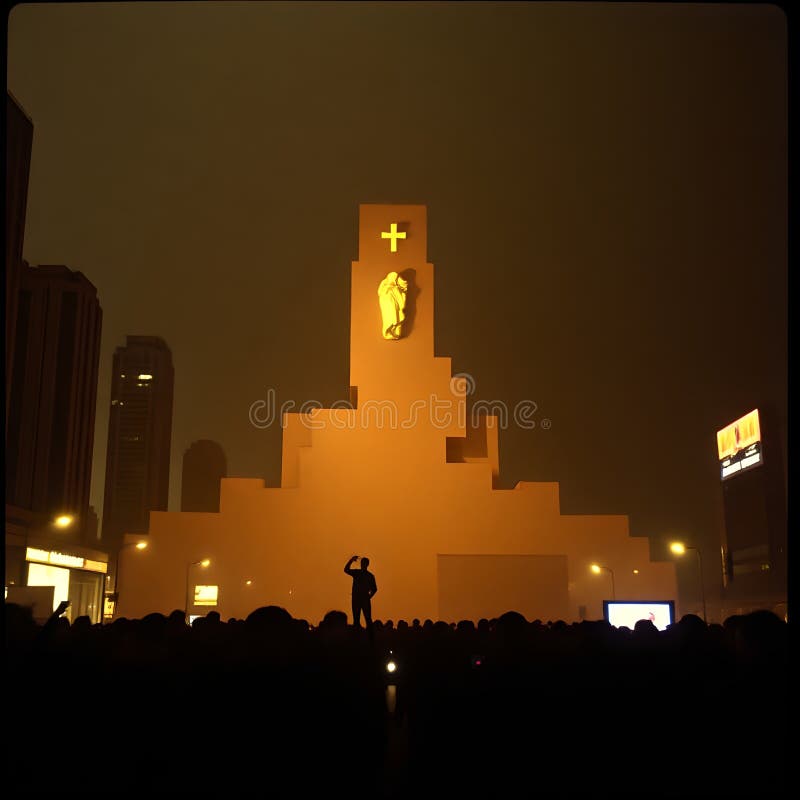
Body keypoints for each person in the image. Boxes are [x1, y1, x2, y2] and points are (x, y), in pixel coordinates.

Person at [343, 555, 378, 632]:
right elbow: (346, 570)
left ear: (366, 564)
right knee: (358, 619)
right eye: (362, 563)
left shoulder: (364, 574)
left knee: (366, 619)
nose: (363, 564)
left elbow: (374, 589)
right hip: (358, 599)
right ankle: (360, 636)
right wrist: (351, 560)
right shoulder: (363, 574)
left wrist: (368, 597)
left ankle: (367, 636)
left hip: (360, 599)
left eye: (364, 563)